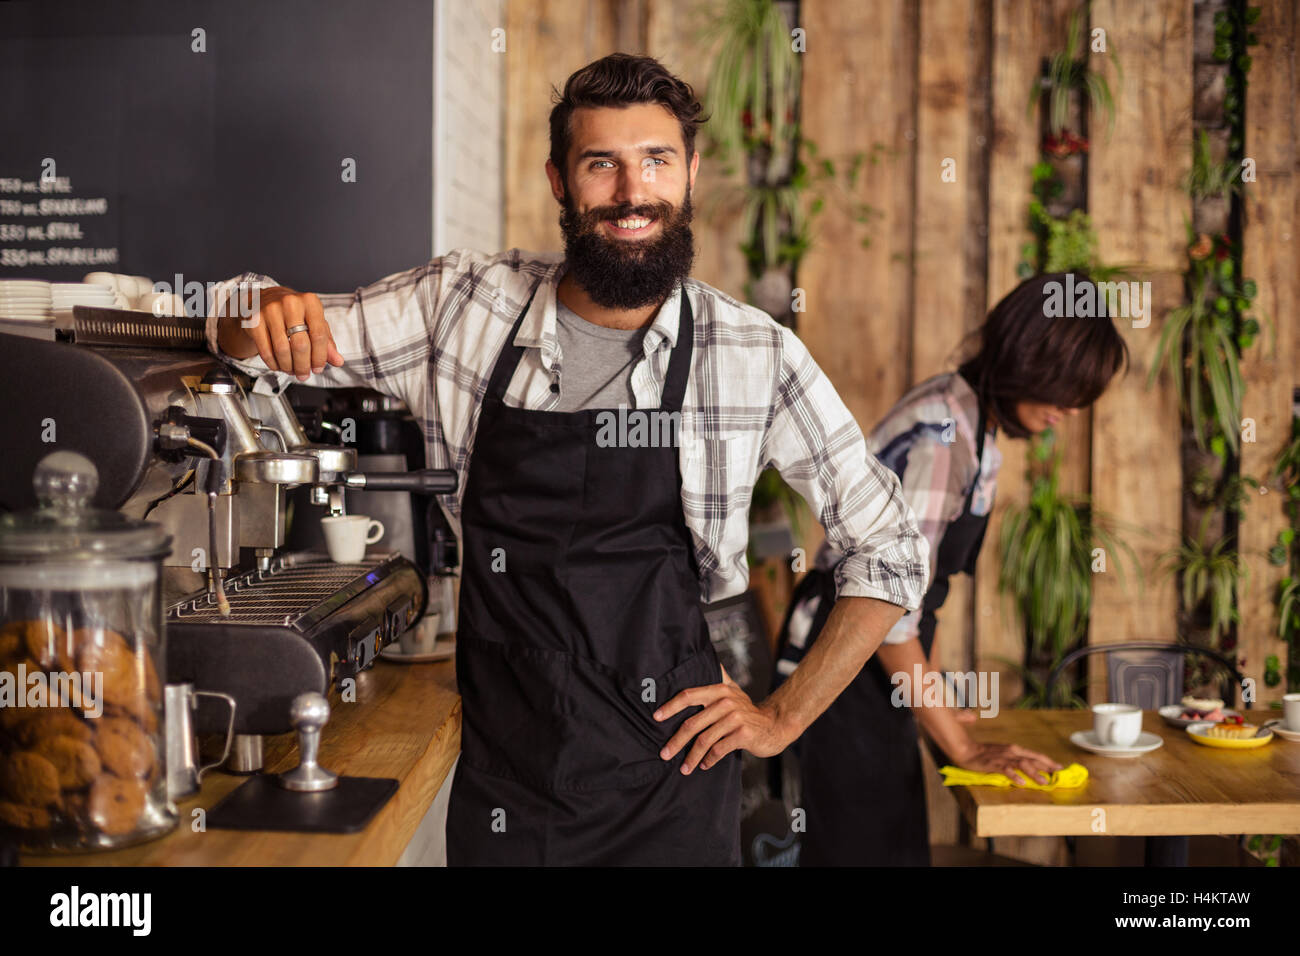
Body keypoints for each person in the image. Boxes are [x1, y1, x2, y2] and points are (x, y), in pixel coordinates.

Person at [208, 53, 929, 866]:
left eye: (656, 160)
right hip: (510, 784)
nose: (632, 193)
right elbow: (259, 334)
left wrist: (783, 717)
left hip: (674, 787)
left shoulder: (753, 352)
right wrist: (256, 310)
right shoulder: (466, 306)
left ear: (691, 173)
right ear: (560, 180)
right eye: (602, 164)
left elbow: (891, 547)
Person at [775, 272, 1129, 866]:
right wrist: (960, 745)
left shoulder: (974, 426)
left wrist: (935, 703)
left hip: (875, 667)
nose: (1069, 411)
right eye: (1065, 390)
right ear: (1025, 361)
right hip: (842, 660)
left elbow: (919, 599)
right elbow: (886, 614)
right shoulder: (945, 439)